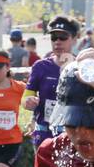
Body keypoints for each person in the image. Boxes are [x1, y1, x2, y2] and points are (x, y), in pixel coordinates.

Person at [24, 15, 77, 149]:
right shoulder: (40, 66)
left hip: (74, 135)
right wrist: (28, 101)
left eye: (63, 37)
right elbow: (25, 98)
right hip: (44, 134)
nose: (57, 42)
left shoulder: (83, 66)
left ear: (75, 39)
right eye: (54, 38)